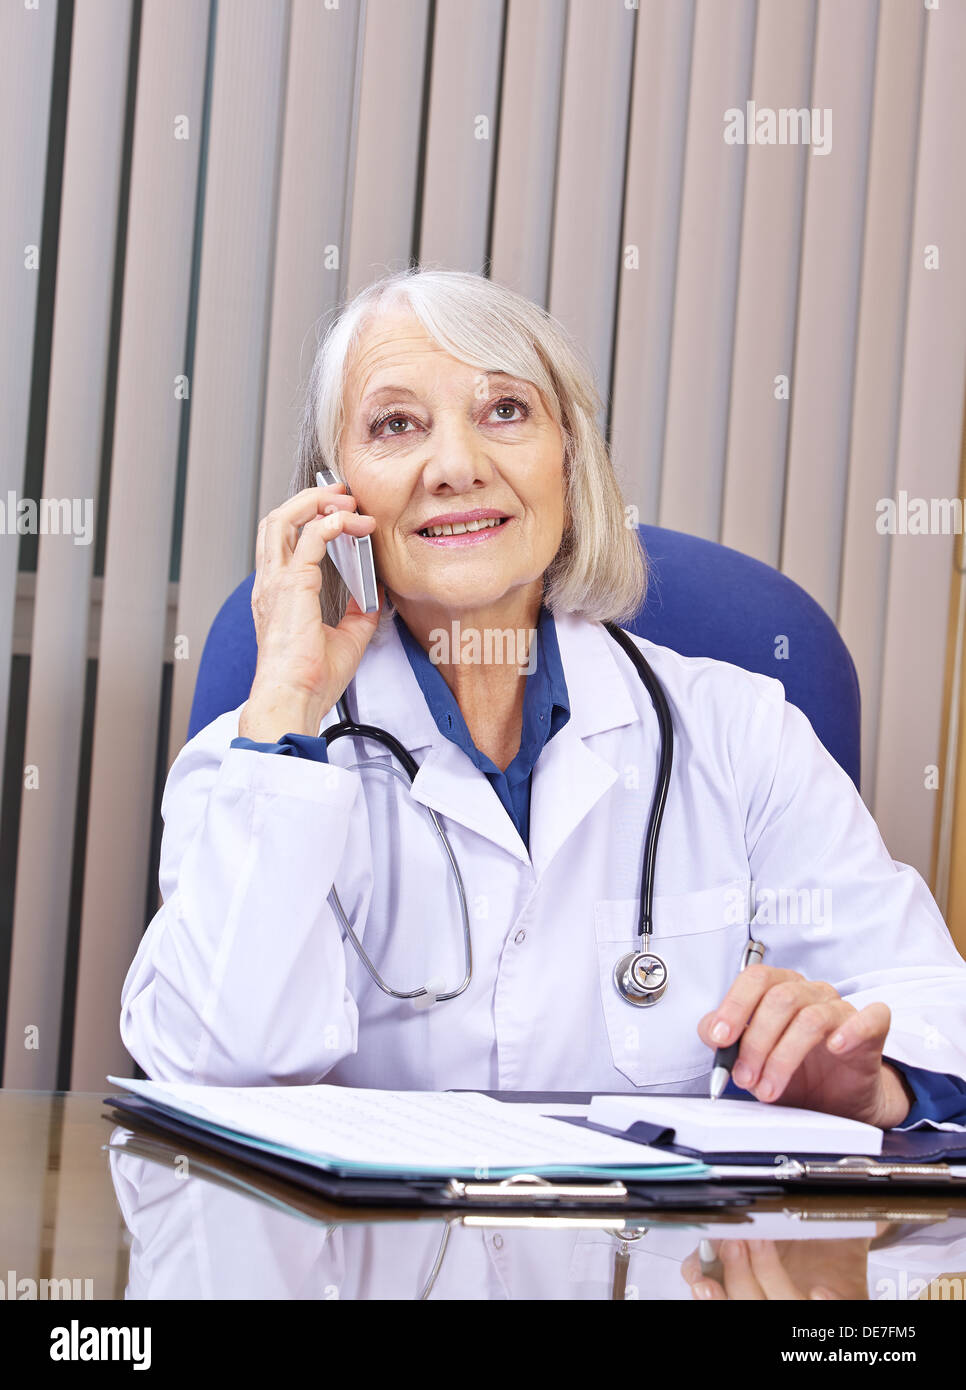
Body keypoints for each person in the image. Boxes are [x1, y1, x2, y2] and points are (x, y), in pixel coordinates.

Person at [120, 268, 966, 1128]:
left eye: (505, 411)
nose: (455, 466)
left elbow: (934, 1014)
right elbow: (205, 1071)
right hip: (357, 1260)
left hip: (656, 1263)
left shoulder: (742, 734)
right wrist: (288, 706)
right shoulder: (258, 758)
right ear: (338, 496)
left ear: (573, 461)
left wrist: (875, 1081)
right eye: (396, 424)